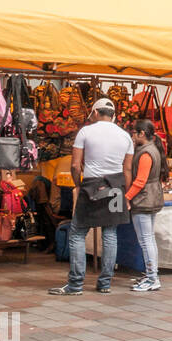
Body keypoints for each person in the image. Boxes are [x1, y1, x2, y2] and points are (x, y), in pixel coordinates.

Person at [50, 98, 133, 295]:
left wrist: (78, 185)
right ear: (112, 115)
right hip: (116, 187)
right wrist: (127, 195)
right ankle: (105, 283)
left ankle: (76, 284)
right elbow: (127, 170)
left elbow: (75, 165)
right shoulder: (125, 136)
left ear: (95, 113)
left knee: (77, 233)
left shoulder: (86, 132)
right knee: (110, 234)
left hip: (92, 185)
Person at [126, 119, 167, 292]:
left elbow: (140, 181)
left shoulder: (145, 153)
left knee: (146, 240)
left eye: (134, 133)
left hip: (143, 200)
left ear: (142, 133)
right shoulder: (153, 150)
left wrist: (126, 198)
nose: (132, 136)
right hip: (150, 197)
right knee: (148, 239)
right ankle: (151, 275)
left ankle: (152, 278)